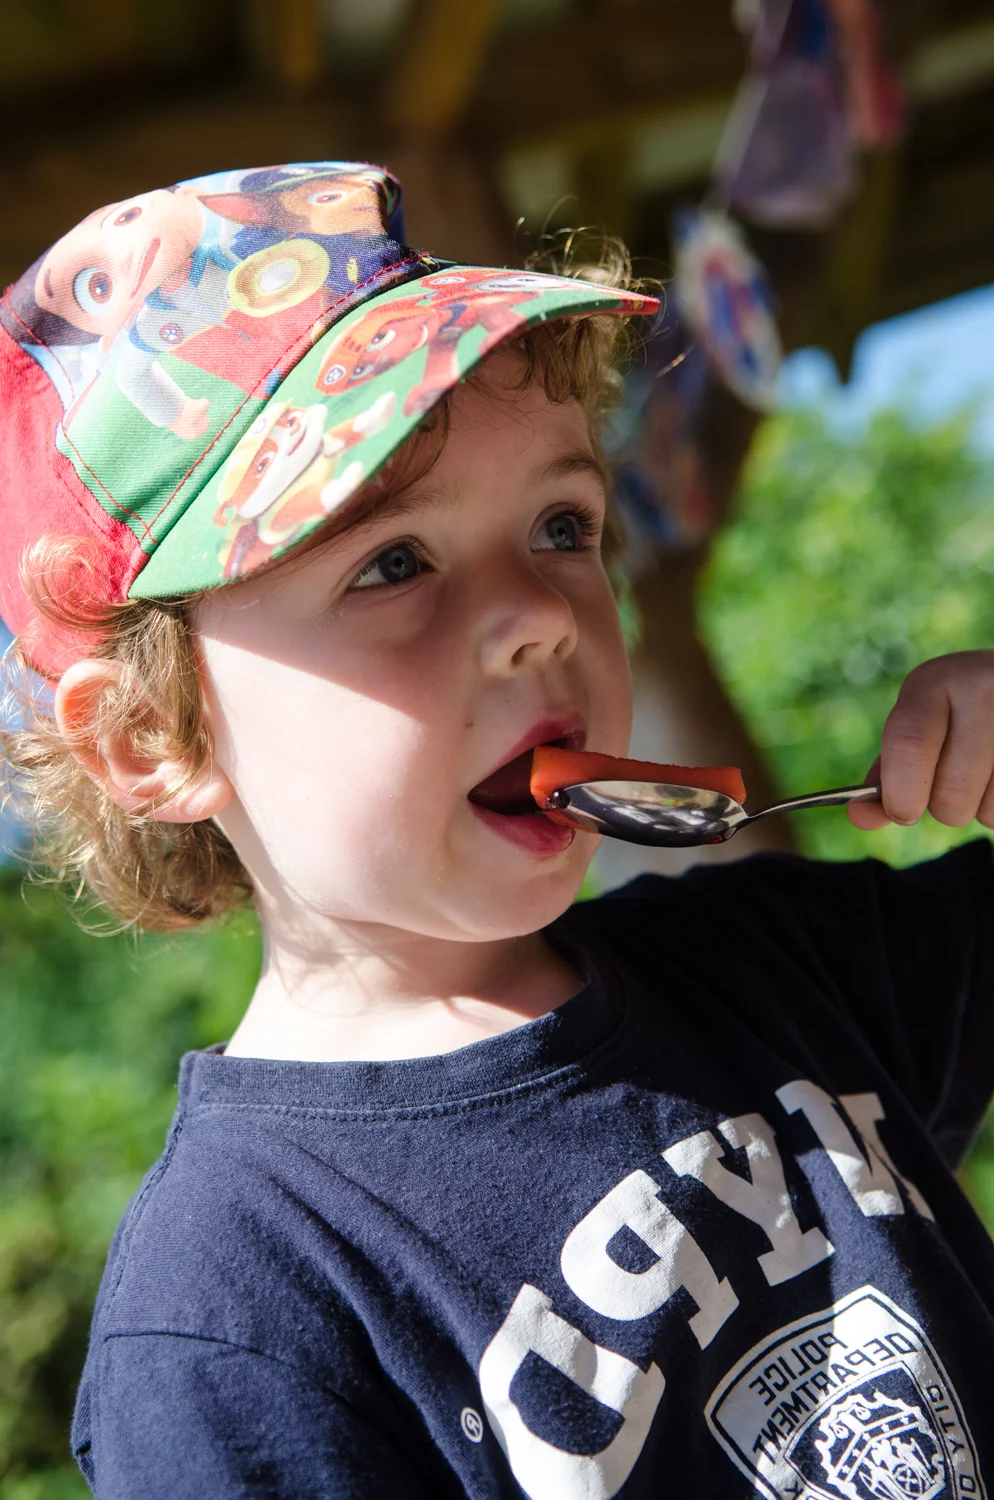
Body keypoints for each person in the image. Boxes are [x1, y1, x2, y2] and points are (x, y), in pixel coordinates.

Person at [1, 161, 993, 1500]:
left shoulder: (775, 957)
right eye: (393, 562)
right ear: (154, 740)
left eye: (561, 523)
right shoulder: (234, 1305)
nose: (540, 613)